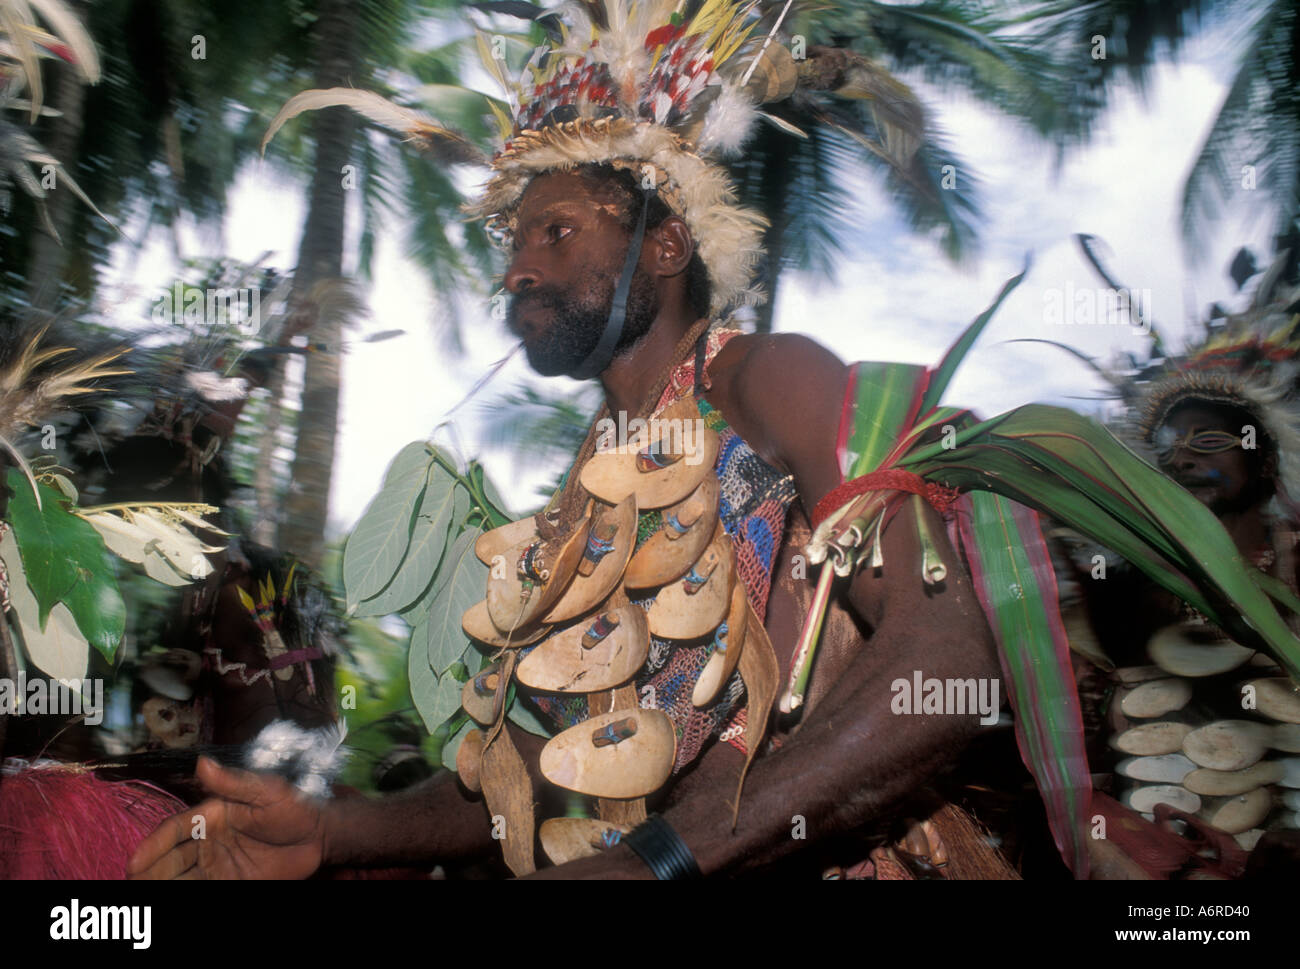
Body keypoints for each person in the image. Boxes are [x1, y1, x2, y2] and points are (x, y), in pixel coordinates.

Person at [129, 0, 1006, 880]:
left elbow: (947, 660)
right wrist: (334, 835)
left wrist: (658, 861)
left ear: (665, 247)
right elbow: (541, 773)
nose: (517, 267)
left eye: (557, 232)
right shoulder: (586, 496)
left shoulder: (768, 380)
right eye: (514, 243)